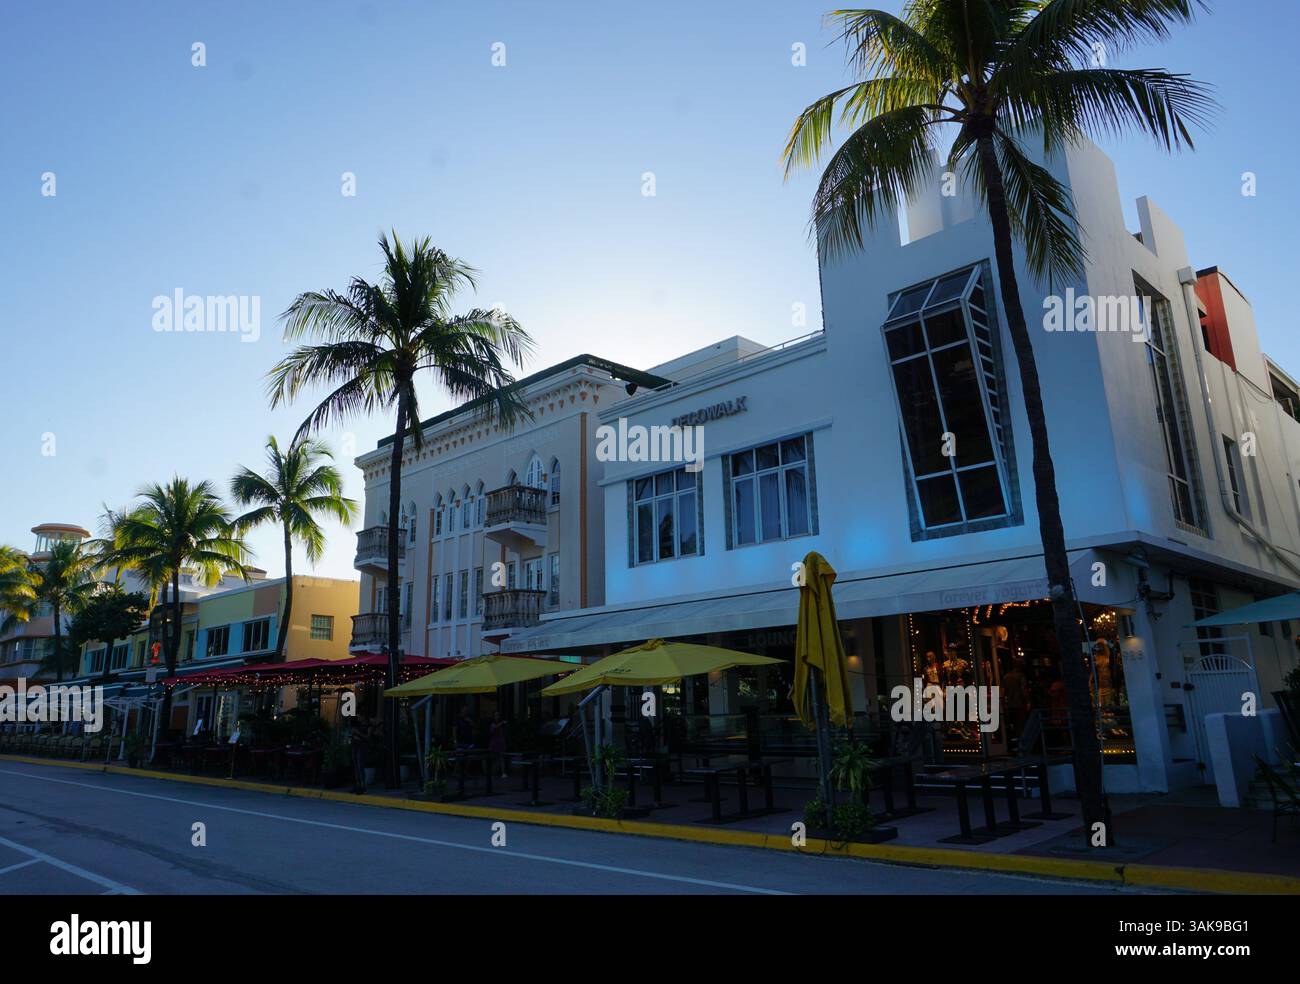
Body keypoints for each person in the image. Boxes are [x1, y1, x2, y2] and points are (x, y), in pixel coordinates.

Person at [488, 711, 508, 778]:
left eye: (498, 715)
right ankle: (493, 773)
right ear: (494, 716)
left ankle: (503, 772)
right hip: (494, 742)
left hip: (500, 742)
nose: (497, 716)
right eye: (496, 715)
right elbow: (494, 728)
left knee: (501, 757)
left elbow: (503, 733)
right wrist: (502, 723)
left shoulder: (501, 725)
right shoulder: (492, 723)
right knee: (494, 759)